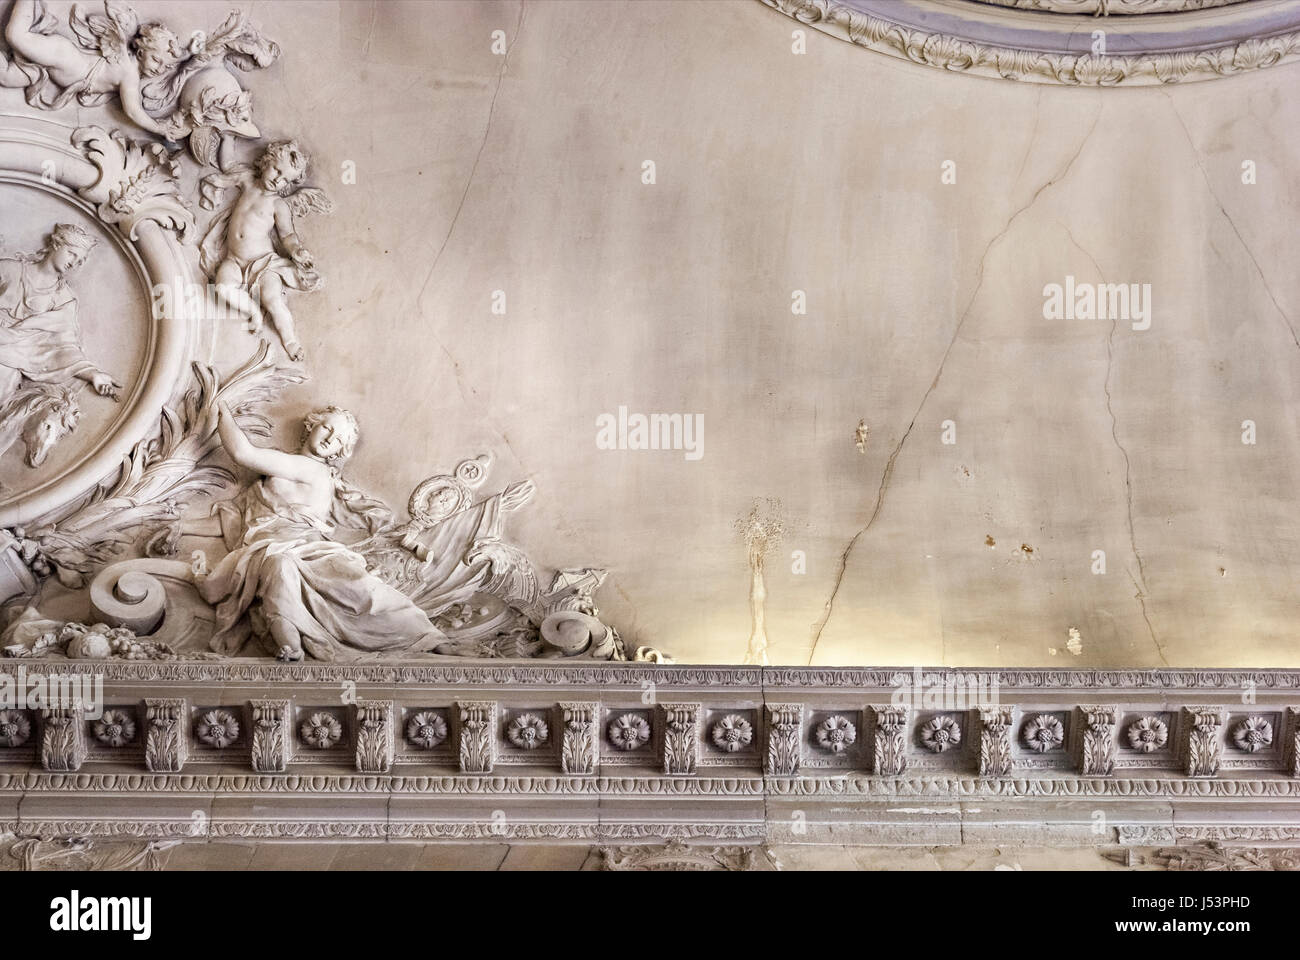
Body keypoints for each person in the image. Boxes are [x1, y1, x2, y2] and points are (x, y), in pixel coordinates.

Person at [198, 402, 447, 662]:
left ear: (341, 450)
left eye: (339, 439)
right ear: (311, 425)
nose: (330, 439)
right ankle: (290, 641)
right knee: (282, 569)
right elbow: (233, 523)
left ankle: (432, 639)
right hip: (275, 551)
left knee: (361, 590)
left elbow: (242, 452)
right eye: (327, 428)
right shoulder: (278, 477)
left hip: (308, 550)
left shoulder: (310, 469)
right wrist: (180, 526)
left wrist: (222, 410)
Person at [0, 0, 182, 137]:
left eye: (166, 66)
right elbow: (133, 111)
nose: (160, 69)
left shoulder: (131, 73)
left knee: (7, 77)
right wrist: (158, 128)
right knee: (15, 35)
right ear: (142, 51)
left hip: (50, 71)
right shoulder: (129, 75)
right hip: (64, 58)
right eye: (156, 59)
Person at [0, 223, 121, 404]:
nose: (74, 262)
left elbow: (64, 347)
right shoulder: (8, 270)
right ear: (56, 244)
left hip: (9, 358)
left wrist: (93, 374)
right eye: (71, 253)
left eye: (80, 260)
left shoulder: (64, 300)